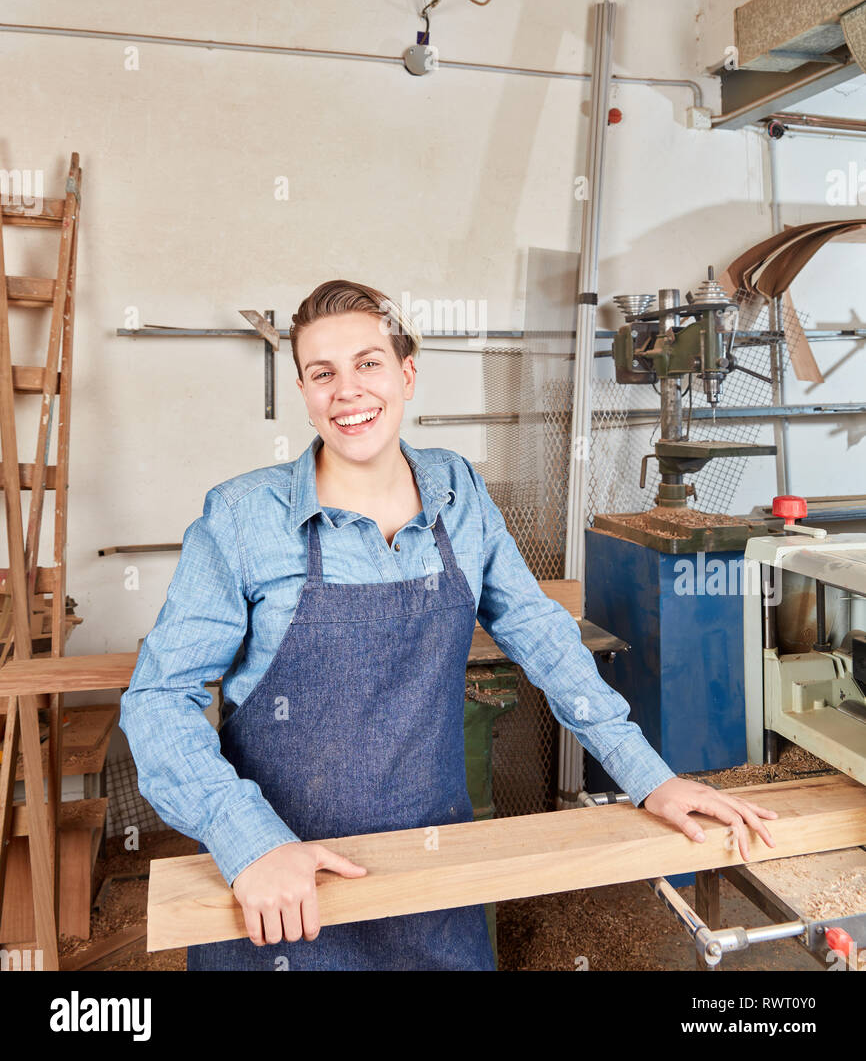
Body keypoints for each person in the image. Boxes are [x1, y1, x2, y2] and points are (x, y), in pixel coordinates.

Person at [120, 278, 777, 971]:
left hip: (432, 870)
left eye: (368, 363)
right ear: (305, 391)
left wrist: (648, 775)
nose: (347, 391)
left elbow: (538, 631)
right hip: (286, 884)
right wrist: (247, 839)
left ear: (406, 373)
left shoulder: (458, 490)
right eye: (323, 373)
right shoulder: (242, 518)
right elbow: (160, 697)